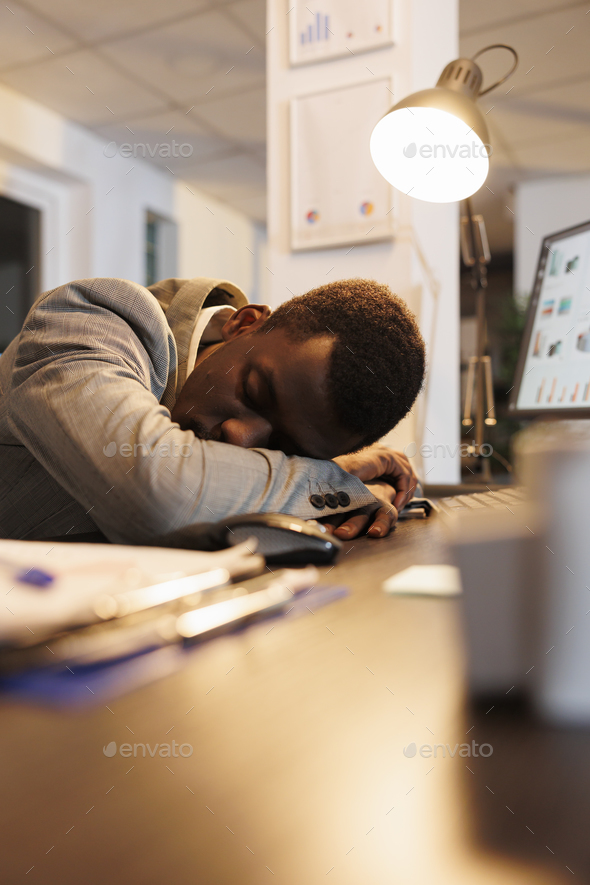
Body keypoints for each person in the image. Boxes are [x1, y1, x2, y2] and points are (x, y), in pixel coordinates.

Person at [0, 275, 425, 545]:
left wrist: (371, 490)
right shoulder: (100, 316)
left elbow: (398, 486)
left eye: (282, 446)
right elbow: (159, 492)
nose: (242, 437)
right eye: (255, 393)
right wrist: (340, 481)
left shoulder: (301, 416)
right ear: (244, 324)